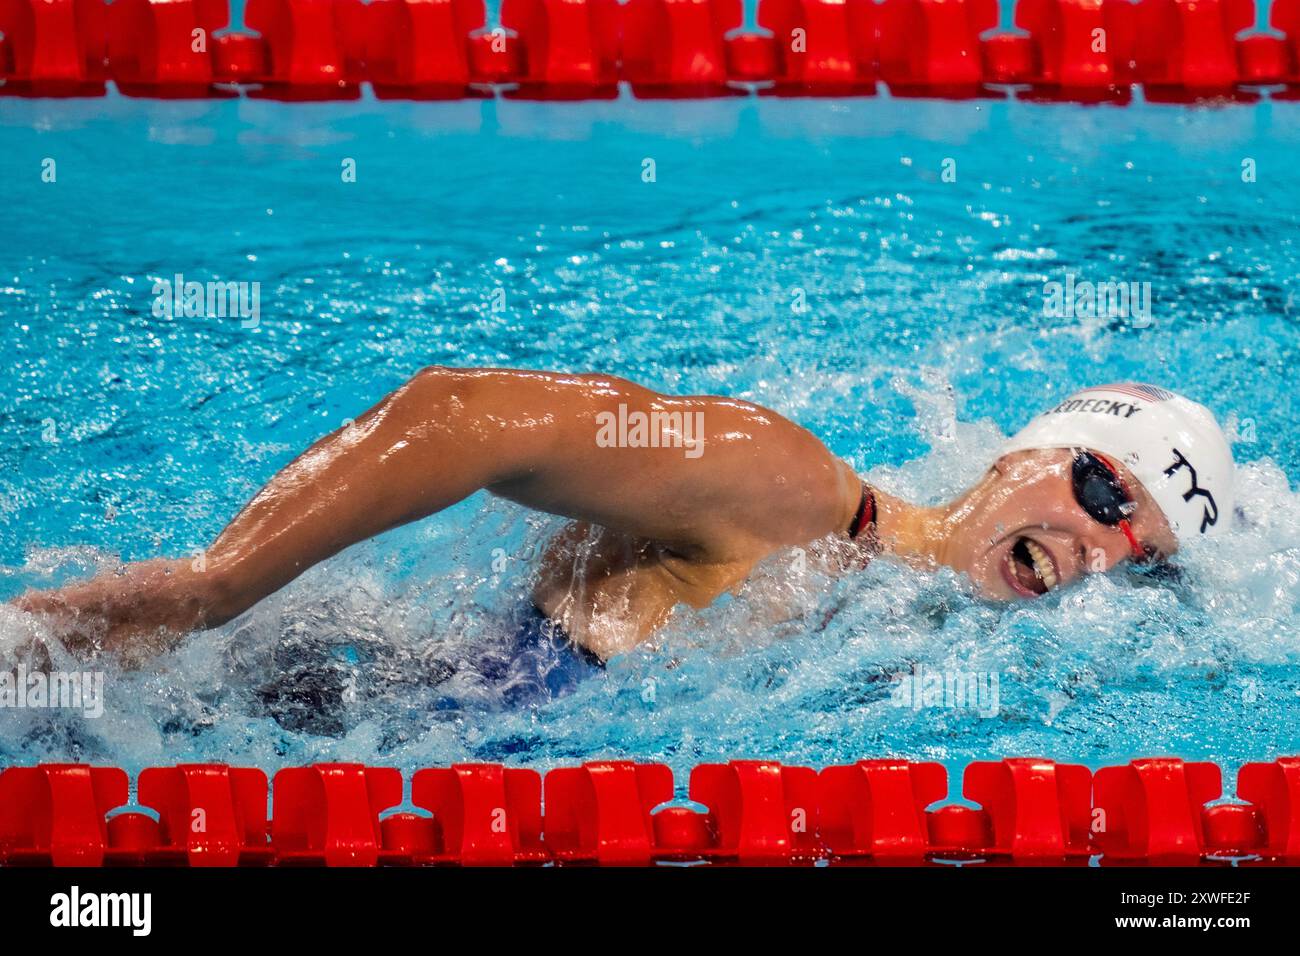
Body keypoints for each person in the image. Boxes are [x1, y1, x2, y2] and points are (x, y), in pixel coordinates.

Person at [11, 370, 1235, 668]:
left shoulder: (897, 632)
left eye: (1138, 563)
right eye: (1102, 490)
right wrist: (213, 584)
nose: (1096, 551)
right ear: (1026, 450)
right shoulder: (797, 492)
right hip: (273, 722)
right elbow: (466, 414)